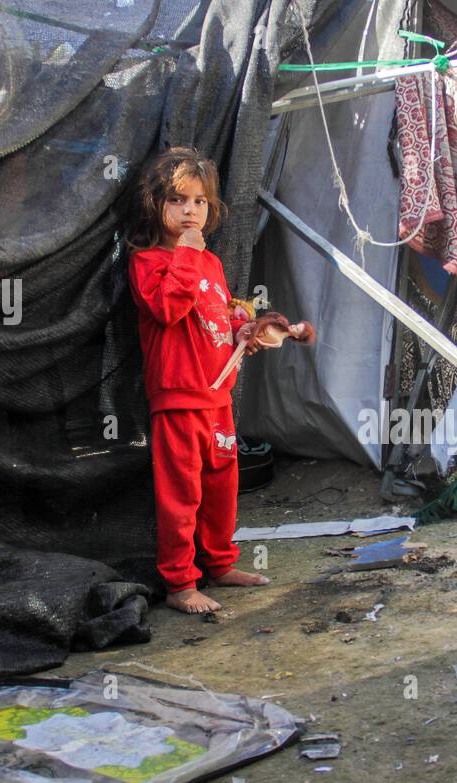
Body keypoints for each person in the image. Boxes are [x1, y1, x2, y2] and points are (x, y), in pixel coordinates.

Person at [127, 147, 287, 614]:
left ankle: (219, 564)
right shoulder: (148, 262)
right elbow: (167, 309)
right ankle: (180, 585)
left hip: (218, 397)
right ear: (155, 204)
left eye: (199, 201)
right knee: (181, 495)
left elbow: (213, 319)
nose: (190, 210)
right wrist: (185, 257)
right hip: (177, 399)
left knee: (221, 486)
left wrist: (244, 332)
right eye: (178, 199)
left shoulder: (212, 265)